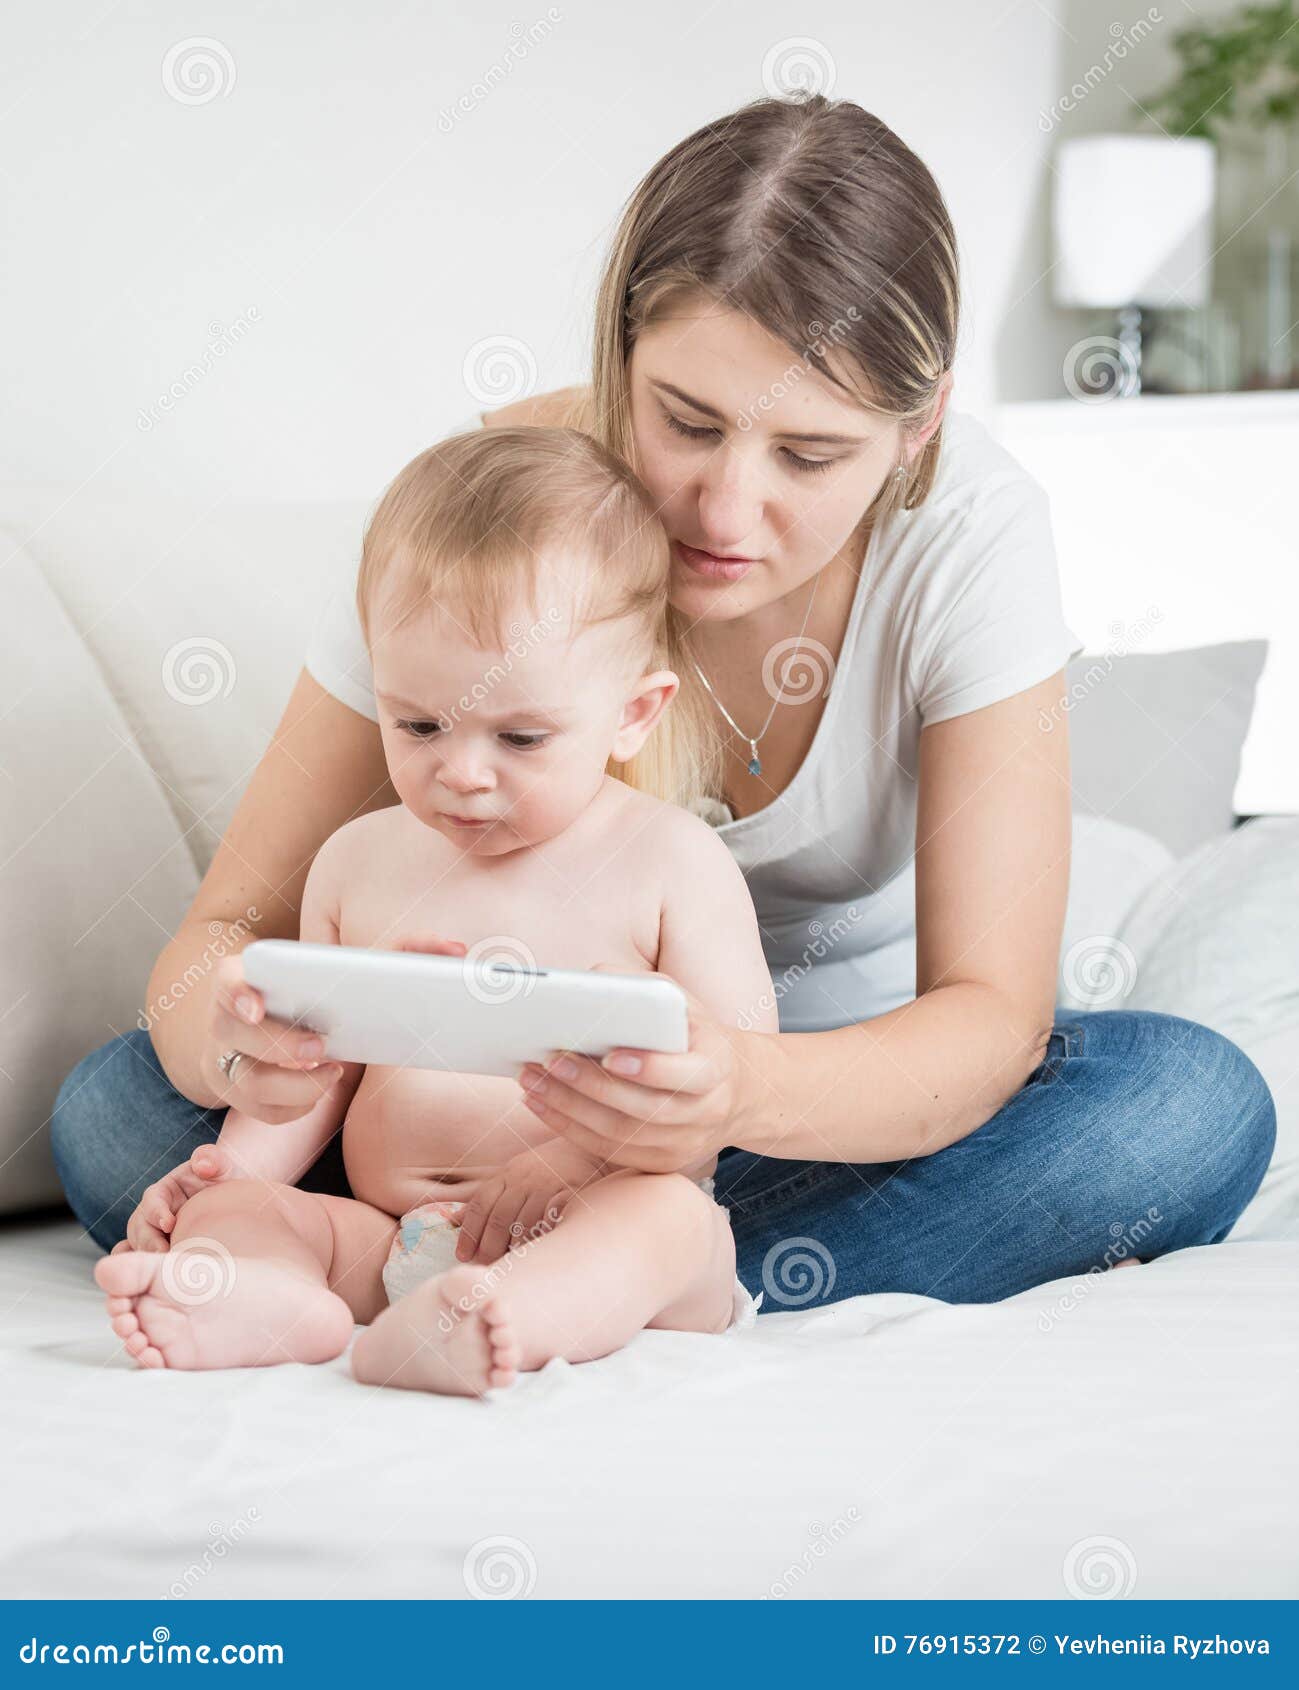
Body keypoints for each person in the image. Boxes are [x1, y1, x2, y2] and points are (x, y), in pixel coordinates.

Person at [53, 92, 1276, 1310]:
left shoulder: (970, 540)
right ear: (617, 357)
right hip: (472, 1125)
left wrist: (733, 1089)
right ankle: (581, 1275)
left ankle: (551, 1267)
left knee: (1185, 1105)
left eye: (809, 455)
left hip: (824, 1112)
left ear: (920, 428)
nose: (724, 512)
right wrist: (245, 1035)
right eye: (686, 422)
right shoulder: (483, 514)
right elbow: (218, 938)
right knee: (117, 1112)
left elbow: (991, 1020)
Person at [95, 426, 773, 1392]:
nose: (460, 774)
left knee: (670, 1224)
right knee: (241, 1212)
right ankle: (265, 1296)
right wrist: (233, 1170)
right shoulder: (355, 863)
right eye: (416, 724)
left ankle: (516, 1317)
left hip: (590, 1218)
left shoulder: (671, 862)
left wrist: (587, 1151)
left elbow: (736, 1082)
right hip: (388, 1238)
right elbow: (315, 1081)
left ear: (633, 713)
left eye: (521, 736)